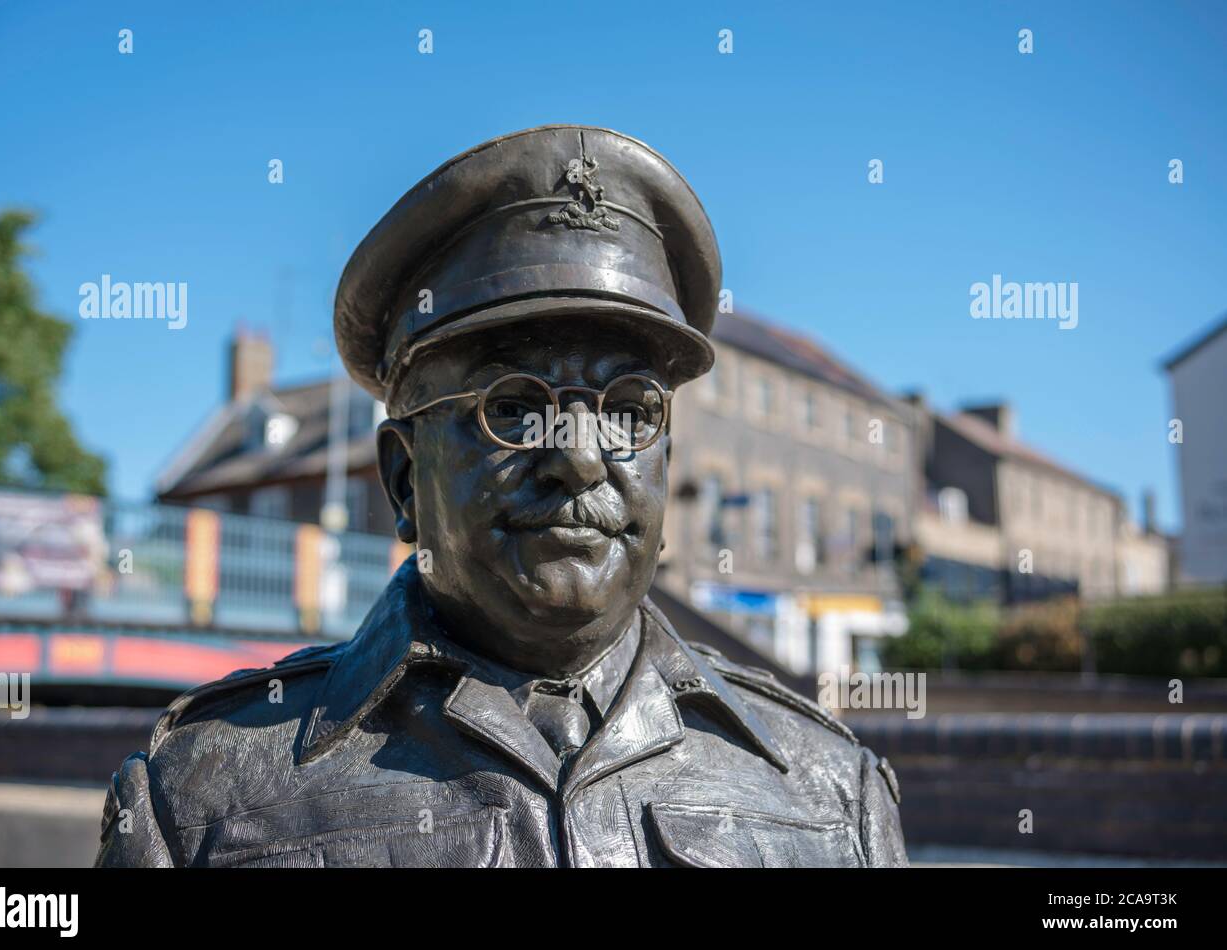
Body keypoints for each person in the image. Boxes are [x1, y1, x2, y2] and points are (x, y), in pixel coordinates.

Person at [95, 125, 907, 867]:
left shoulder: (835, 795)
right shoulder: (195, 801)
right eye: (513, 408)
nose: (581, 461)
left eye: (629, 410)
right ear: (404, 477)